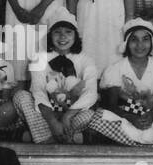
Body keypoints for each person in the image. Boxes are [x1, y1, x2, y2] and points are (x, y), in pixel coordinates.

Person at [87, 18, 153, 147]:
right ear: (126, 43)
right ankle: (128, 143)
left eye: (145, 39)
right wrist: (130, 117)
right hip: (125, 118)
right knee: (99, 117)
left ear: (152, 43)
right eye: (134, 40)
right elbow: (111, 103)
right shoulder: (115, 69)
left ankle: (140, 145)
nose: (140, 45)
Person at [24, 10, 98, 144]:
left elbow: (91, 93)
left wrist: (67, 116)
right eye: (57, 32)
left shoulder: (86, 60)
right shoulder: (39, 59)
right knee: (21, 96)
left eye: (68, 32)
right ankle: (63, 137)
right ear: (50, 36)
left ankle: (41, 136)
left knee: (90, 115)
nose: (62, 37)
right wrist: (52, 121)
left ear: (75, 36)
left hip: (72, 114)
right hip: (46, 114)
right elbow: (38, 91)